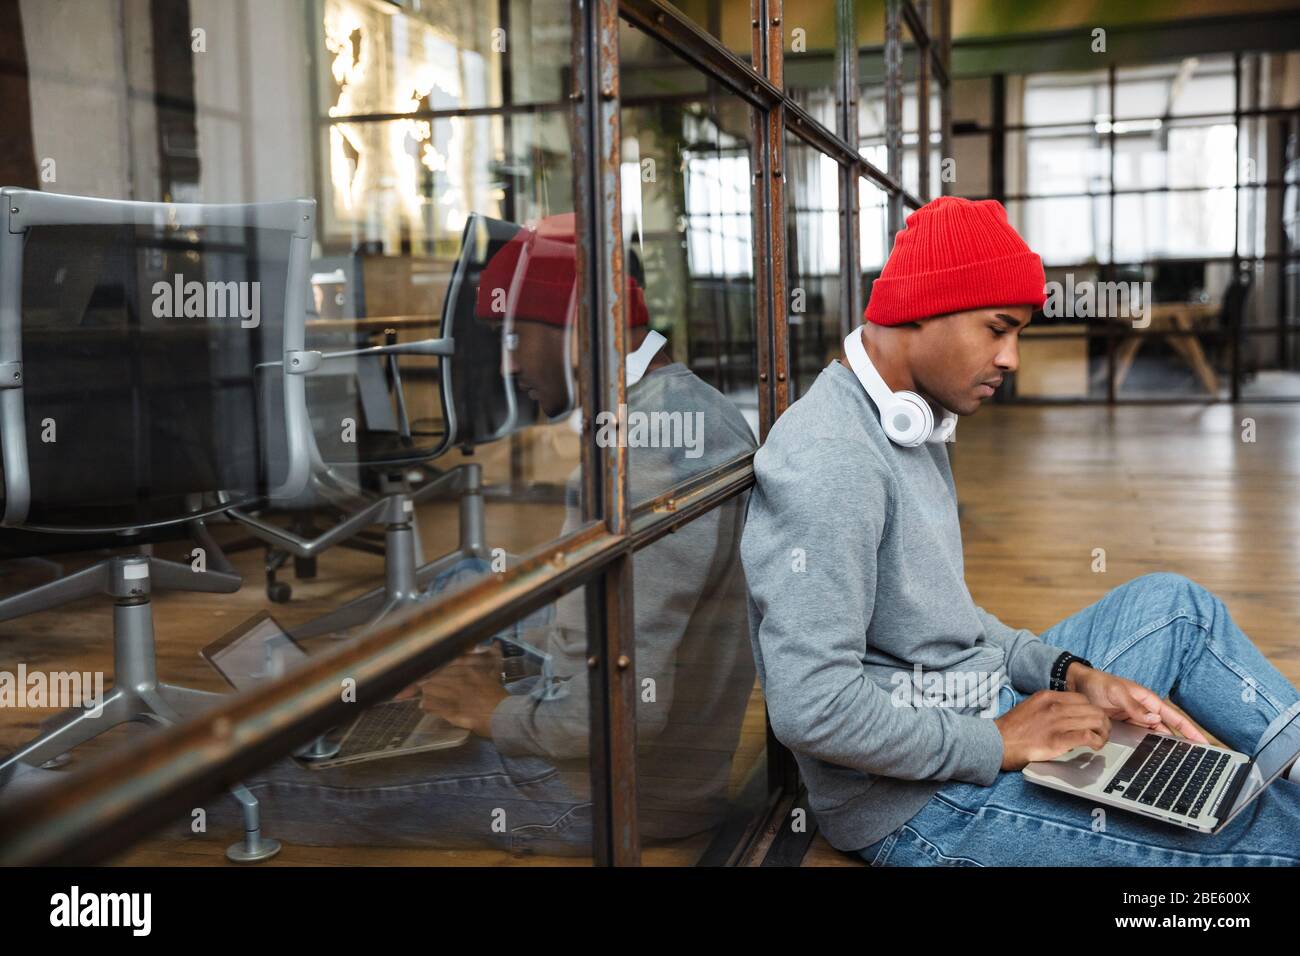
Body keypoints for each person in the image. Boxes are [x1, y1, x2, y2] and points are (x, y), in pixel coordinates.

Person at [740, 195, 1300, 866]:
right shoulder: (830, 458)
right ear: (922, 307)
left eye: (1019, 335)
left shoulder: (907, 418)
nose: (1010, 359)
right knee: (1261, 833)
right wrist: (1001, 741)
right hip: (924, 802)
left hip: (981, 707)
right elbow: (813, 708)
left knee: (1175, 609)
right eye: (997, 328)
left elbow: (944, 618)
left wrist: (1067, 674)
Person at [189, 213, 758, 856]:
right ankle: (331, 705)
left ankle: (95, 795)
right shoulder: (683, 407)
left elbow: (621, 710)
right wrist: (486, 656)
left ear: (577, 328)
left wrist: (492, 710)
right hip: (624, 754)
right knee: (464, 587)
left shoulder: (642, 458)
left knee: (278, 785)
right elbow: (623, 607)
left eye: (513, 337)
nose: (508, 363)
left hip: (601, 792)